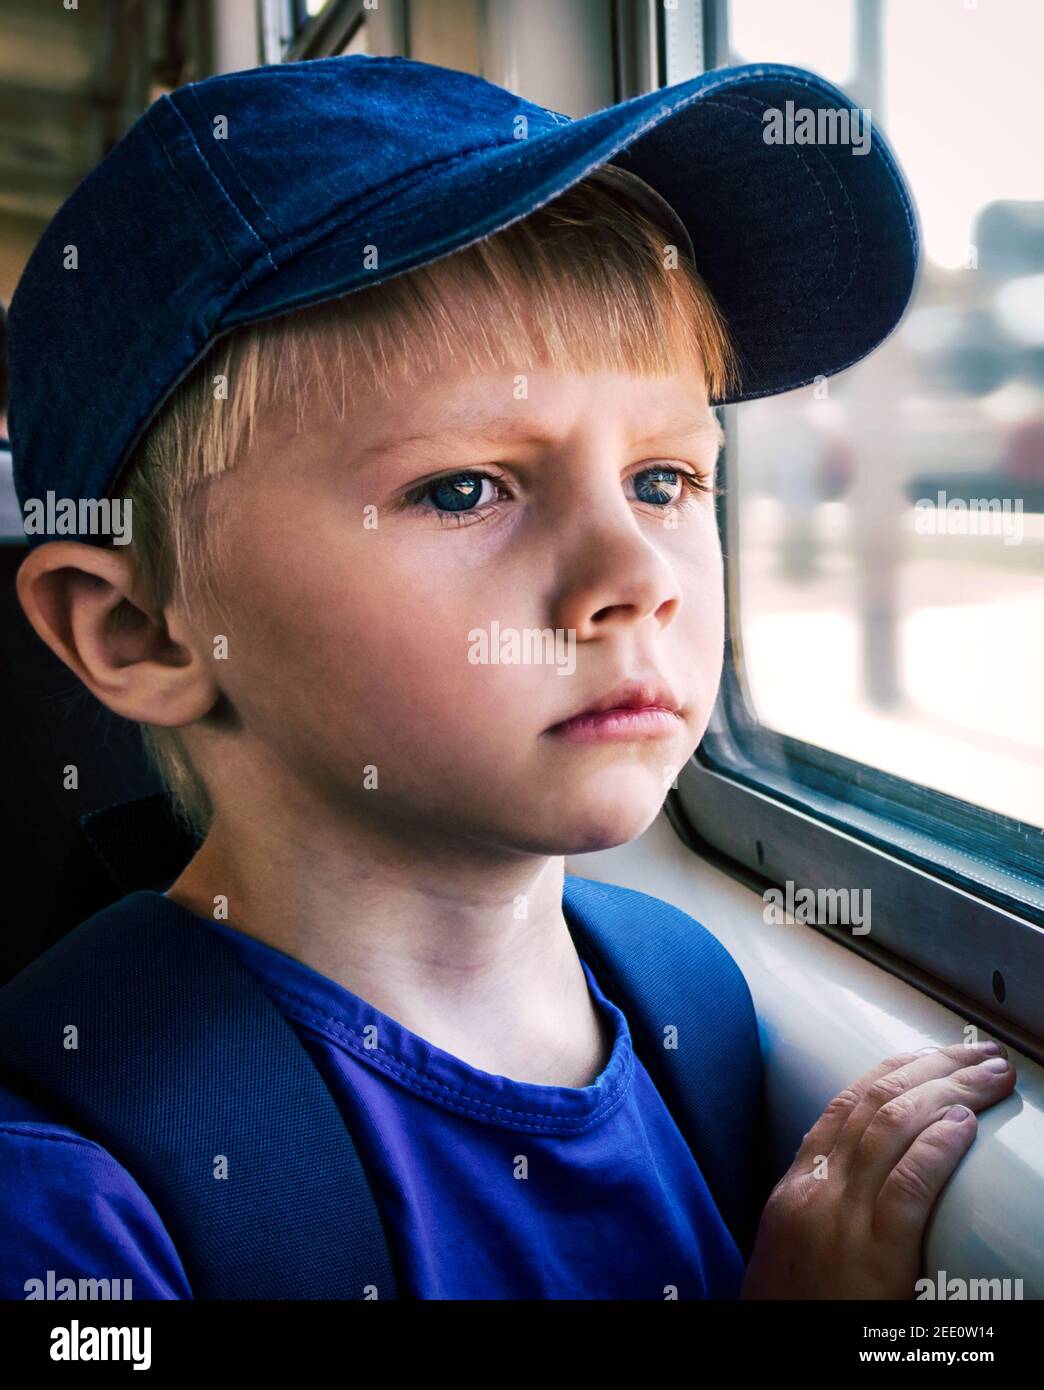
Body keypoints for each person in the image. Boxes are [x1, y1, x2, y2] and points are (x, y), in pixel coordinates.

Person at [0, 54, 1016, 1300]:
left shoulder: (684, 999)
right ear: (141, 635)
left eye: (666, 479)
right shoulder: (71, 1207)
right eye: (463, 489)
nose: (636, 574)